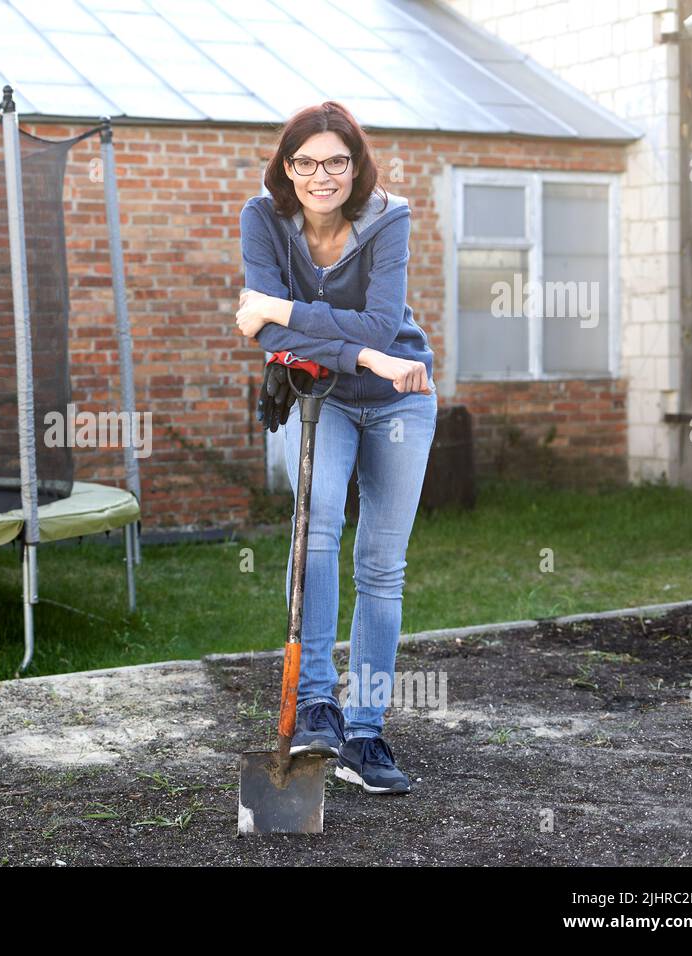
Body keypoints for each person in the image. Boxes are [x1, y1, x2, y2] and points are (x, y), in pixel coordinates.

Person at [235, 101, 436, 795]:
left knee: (381, 567)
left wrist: (280, 310)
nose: (322, 175)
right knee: (314, 530)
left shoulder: (389, 218)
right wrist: (363, 355)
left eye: (337, 161)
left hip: (401, 400)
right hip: (319, 398)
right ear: (287, 168)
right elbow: (264, 342)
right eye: (307, 162)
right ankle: (316, 703)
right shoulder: (263, 218)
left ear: (356, 166)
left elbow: (378, 325)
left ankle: (365, 732)